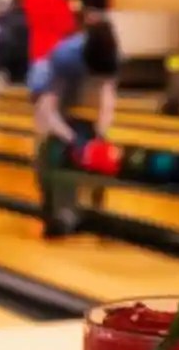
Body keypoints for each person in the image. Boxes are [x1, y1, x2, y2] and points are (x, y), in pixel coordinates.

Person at [28, 17, 120, 237]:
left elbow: (107, 97)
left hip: (74, 94)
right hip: (47, 93)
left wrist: (101, 131)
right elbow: (48, 108)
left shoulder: (111, 57)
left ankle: (92, 210)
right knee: (51, 154)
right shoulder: (65, 56)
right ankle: (57, 211)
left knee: (97, 150)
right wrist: (69, 138)